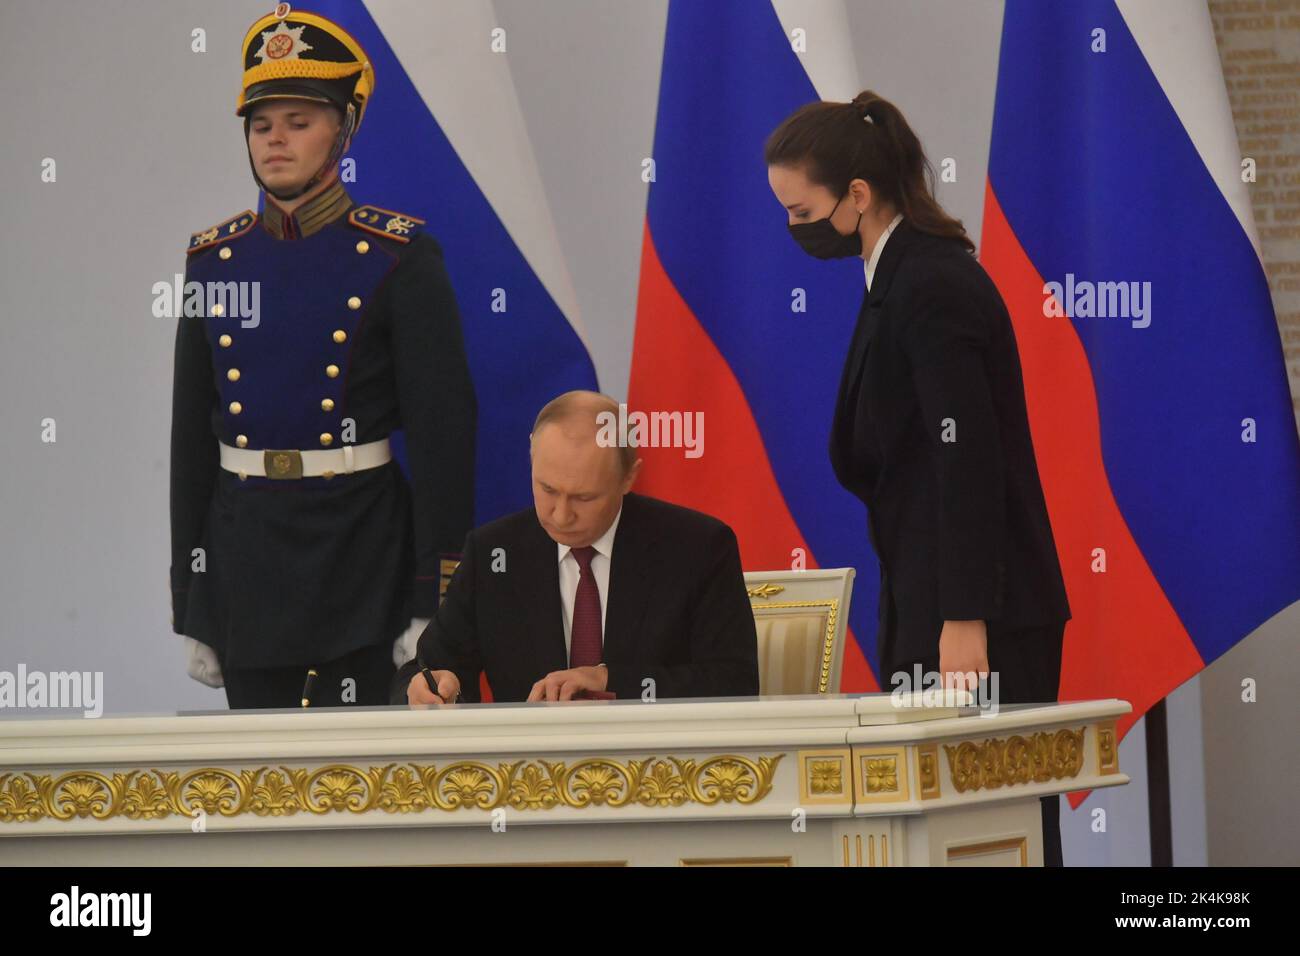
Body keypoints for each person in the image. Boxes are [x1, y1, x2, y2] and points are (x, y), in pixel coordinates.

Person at [765, 91, 1072, 865]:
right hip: (932, 599)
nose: (793, 229)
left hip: (978, 616)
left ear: (857, 197)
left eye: (801, 212)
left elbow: (964, 458)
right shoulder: (895, 278)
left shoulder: (929, 284)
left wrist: (963, 615)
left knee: (995, 832)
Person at [170, 6, 476, 709]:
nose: (275, 139)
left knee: (362, 786)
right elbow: (192, 439)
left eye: (298, 122)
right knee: (262, 789)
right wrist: (193, 597)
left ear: (342, 130)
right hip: (245, 559)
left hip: (362, 552)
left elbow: (443, 433)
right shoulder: (213, 262)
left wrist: (435, 596)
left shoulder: (399, 257)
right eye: (261, 124)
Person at [392, 391, 759, 705]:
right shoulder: (492, 553)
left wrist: (609, 680)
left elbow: (735, 683)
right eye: (547, 490)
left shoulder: (698, 547)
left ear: (629, 477)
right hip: (529, 775)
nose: (561, 515)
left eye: (584, 497)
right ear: (531, 456)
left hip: (663, 771)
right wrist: (429, 687)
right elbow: (421, 670)